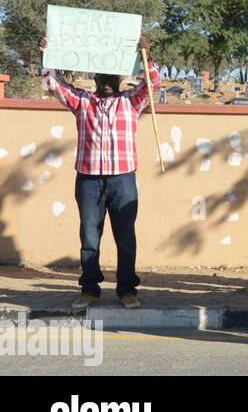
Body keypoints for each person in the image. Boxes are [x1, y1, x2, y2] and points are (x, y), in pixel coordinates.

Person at [38, 34, 160, 309]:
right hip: (89, 180)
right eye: (101, 77)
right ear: (94, 79)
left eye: (111, 77)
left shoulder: (131, 101)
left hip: (123, 179)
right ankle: (89, 288)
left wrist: (146, 56)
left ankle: (127, 289)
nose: (105, 82)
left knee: (125, 237)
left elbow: (153, 83)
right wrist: (47, 55)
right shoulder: (82, 101)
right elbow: (52, 84)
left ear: (119, 79)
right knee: (89, 237)